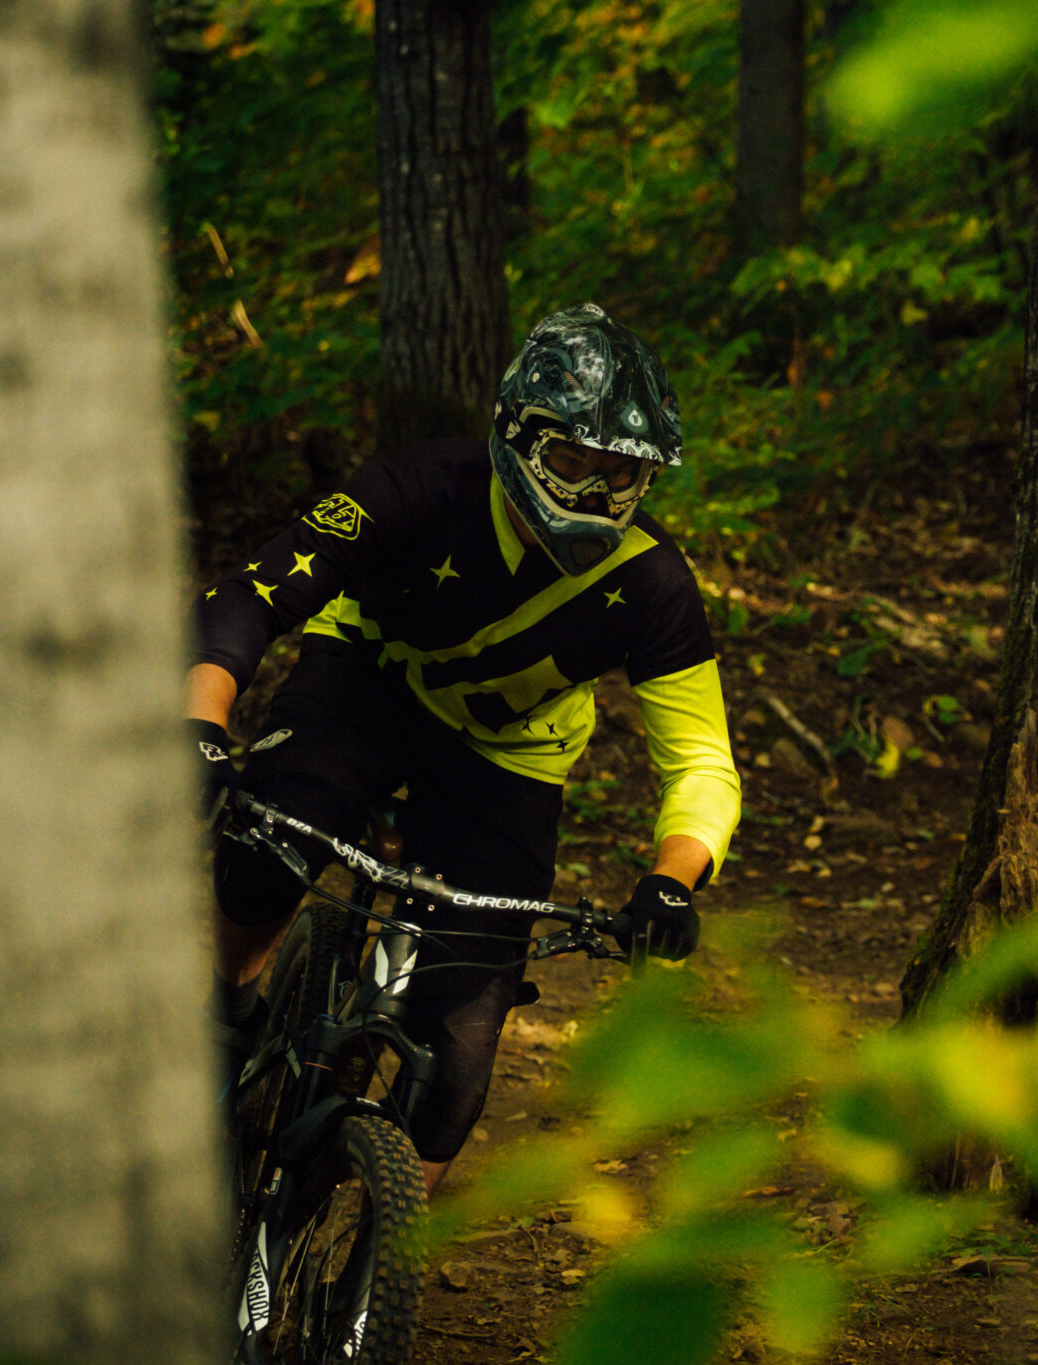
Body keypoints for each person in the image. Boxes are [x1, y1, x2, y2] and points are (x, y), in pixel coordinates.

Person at [186, 303, 740, 1197]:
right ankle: (229, 1007)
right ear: (520, 435)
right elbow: (250, 595)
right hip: (363, 681)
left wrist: (673, 877)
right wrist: (202, 725)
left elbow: (702, 762)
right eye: (573, 463)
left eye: (624, 474)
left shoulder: (654, 585)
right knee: (268, 851)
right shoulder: (417, 486)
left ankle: (372, 1269)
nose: (598, 496)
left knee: (461, 1063)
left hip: (509, 753)